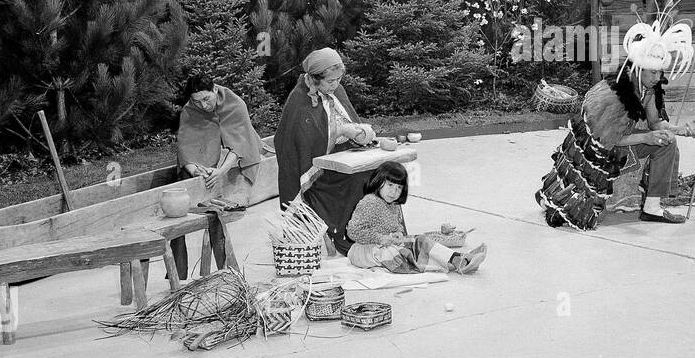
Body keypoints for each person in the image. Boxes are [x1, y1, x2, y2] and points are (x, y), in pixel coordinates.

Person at [537, 10, 695, 229]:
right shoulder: (615, 94)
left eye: (659, 73)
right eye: (651, 73)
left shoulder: (649, 89)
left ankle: (652, 208)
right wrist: (647, 137)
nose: (656, 78)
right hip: (597, 150)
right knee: (584, 214)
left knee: (667, 142)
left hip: (619, 140)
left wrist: (679, 129)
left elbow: (656, 123)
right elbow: (608, 140)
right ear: (638, 68)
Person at [275, 47, 377, 254]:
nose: (336, 85)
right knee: (356, 180)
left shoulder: (336, 90)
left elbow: (347, 119)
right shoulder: (299, 100)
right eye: (331, 81)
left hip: (339, 159)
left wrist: (358, 133)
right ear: (314, 79)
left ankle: (372, 232)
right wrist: (342, 131)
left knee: (379, 174)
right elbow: (304, 142)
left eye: (339, 79)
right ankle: (346, 235)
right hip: (314, 172)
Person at [345, 161, 487, 275]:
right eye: (390, 185)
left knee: (419, 241)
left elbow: (397, 226)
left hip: (384, 247)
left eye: (398, 188)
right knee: (405, 253)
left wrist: (398, 234)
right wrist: (382, 238)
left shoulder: (393, 204)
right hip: (365, 251)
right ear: (378, 181)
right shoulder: (370, 202)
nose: (394, 191)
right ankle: (457, 261)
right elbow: (353, 231)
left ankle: (458, 259)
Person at [176, 74, 265, 208]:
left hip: (235, 157)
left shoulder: (235, 104)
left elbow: (239, 145)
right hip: (205, 166)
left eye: (206, 99)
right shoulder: (189, 111)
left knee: (246, 150)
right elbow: (186, 150)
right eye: (197, 101)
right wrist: (195, 171)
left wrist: (221, 172)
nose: (204, 105)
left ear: (215, 90)